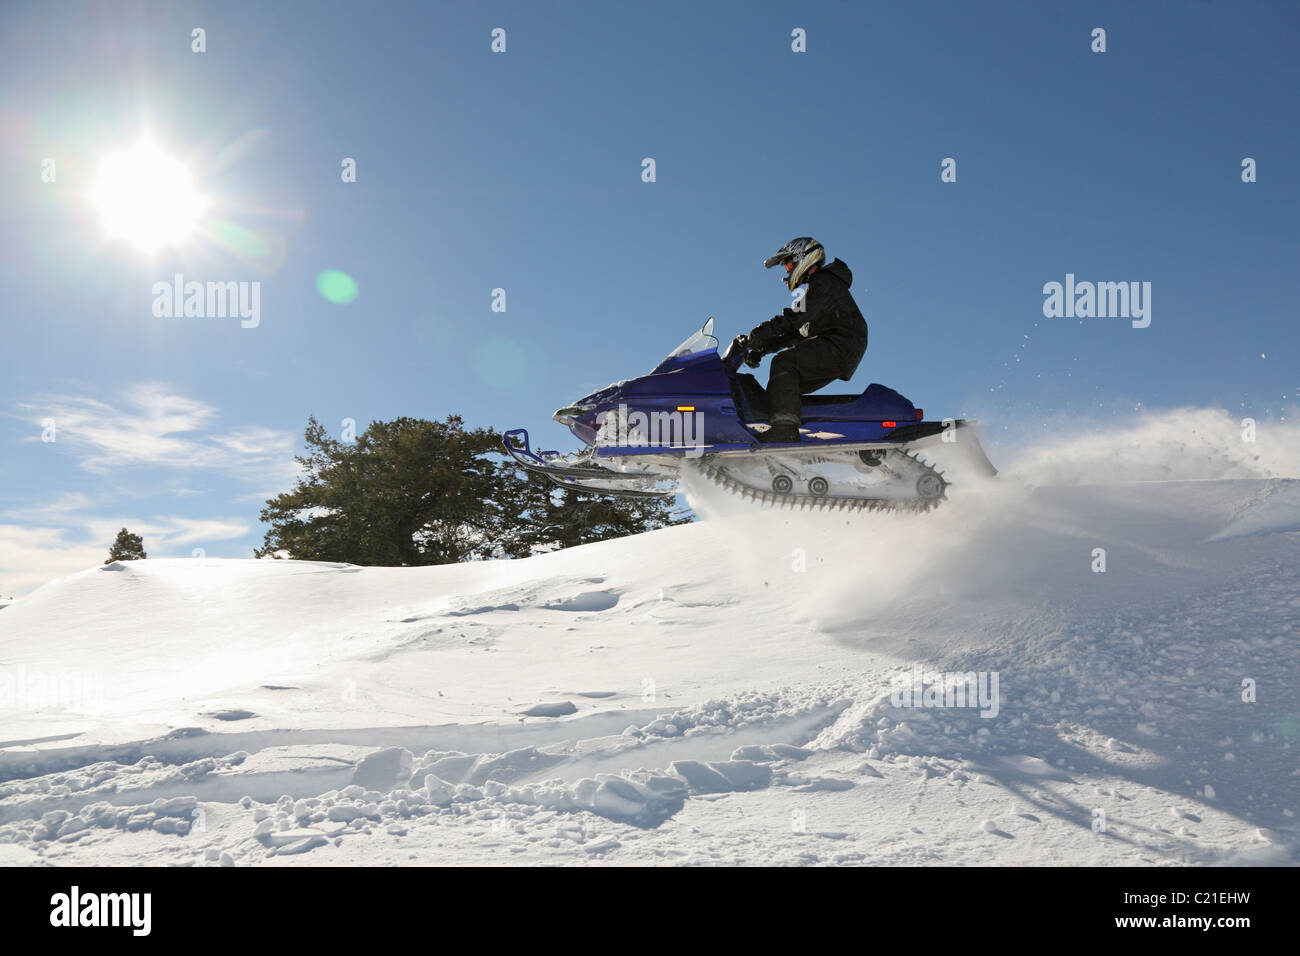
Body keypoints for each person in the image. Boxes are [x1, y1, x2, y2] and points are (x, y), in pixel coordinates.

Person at [738, 237, 868, 443]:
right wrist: (762, 348)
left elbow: (795, 317)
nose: (788, 271)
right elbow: (797, 332)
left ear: (802, 258)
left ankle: (785, 429)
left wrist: (758, 333)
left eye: (788, 264)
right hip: (839, 344)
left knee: (784, 363)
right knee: (782, 386)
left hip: (841, 343)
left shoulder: (825, 282)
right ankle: (786, 429)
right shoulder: (820, 288)